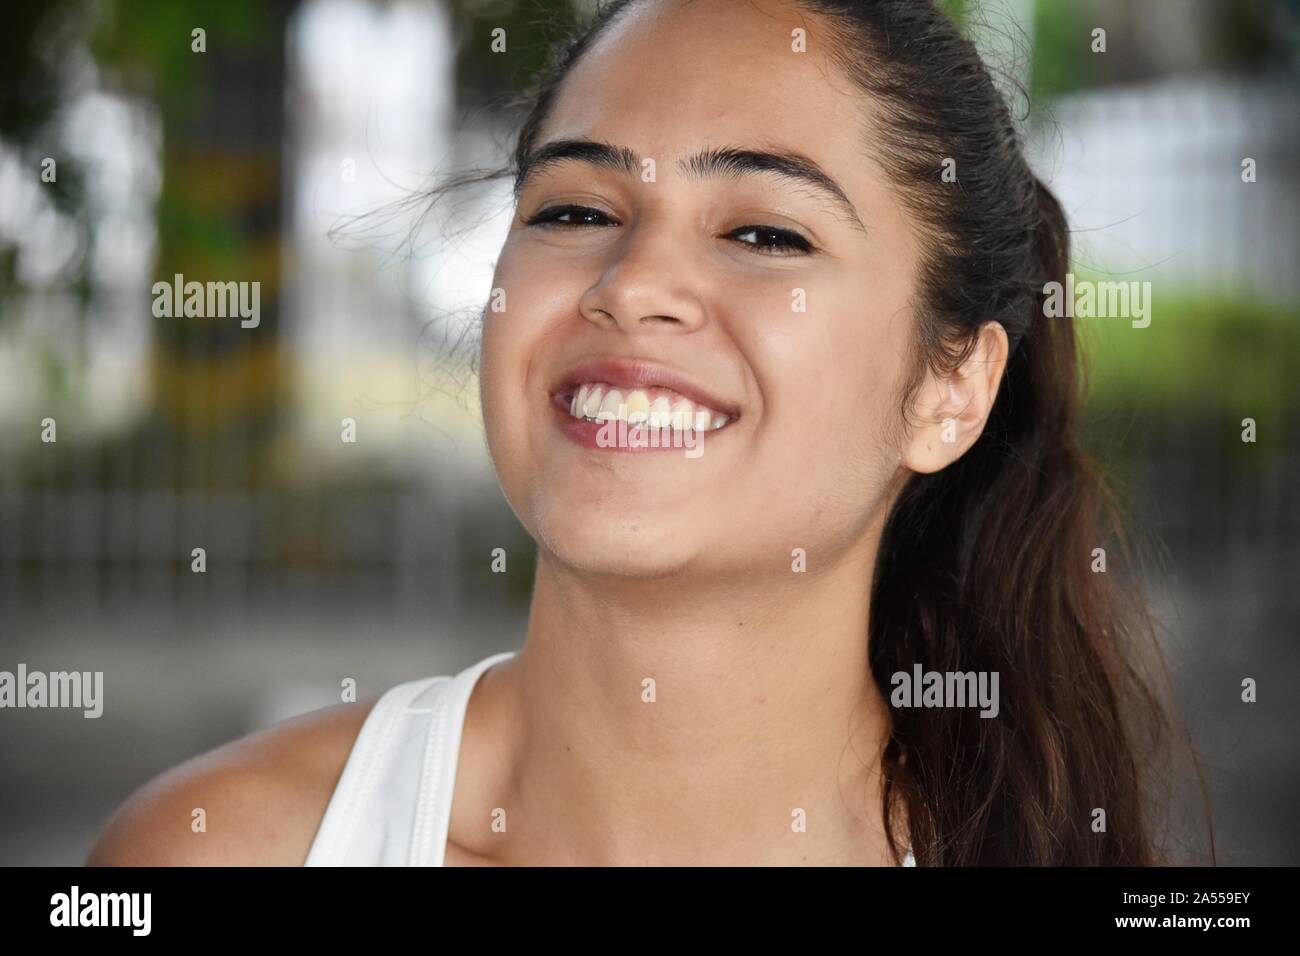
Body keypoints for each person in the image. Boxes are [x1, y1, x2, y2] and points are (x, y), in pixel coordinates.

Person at [87, 0, 1175, 867]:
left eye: (762, 230)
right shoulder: (212, 850)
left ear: (952, 386)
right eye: (574, 210)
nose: (633, 282)